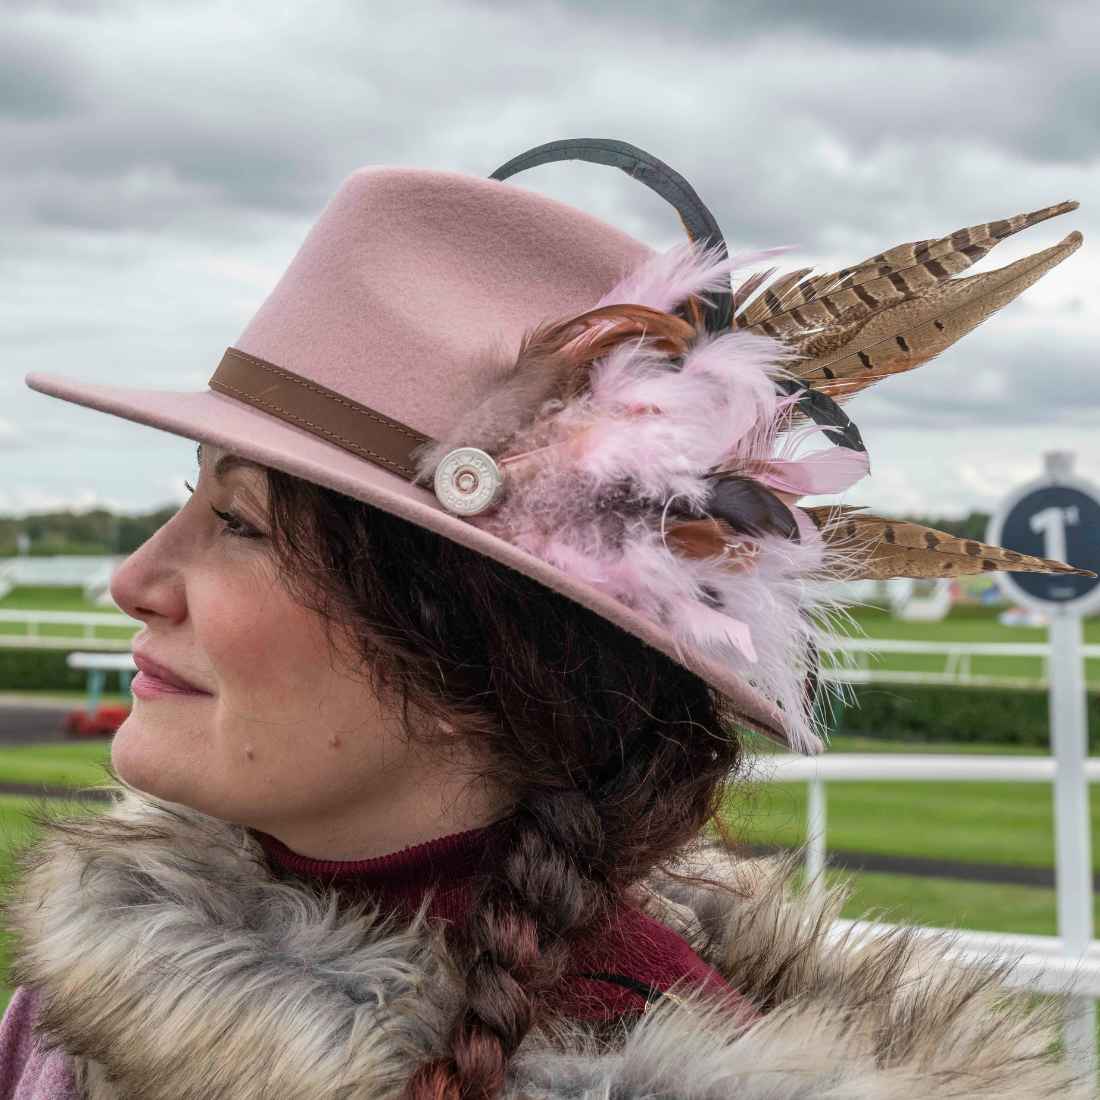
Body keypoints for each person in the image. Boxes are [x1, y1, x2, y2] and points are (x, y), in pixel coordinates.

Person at [1, 138, 1092, 1099]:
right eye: (187, 495)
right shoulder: (64, 1006)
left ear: (462, 653)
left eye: (239, 522)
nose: (135, 576)